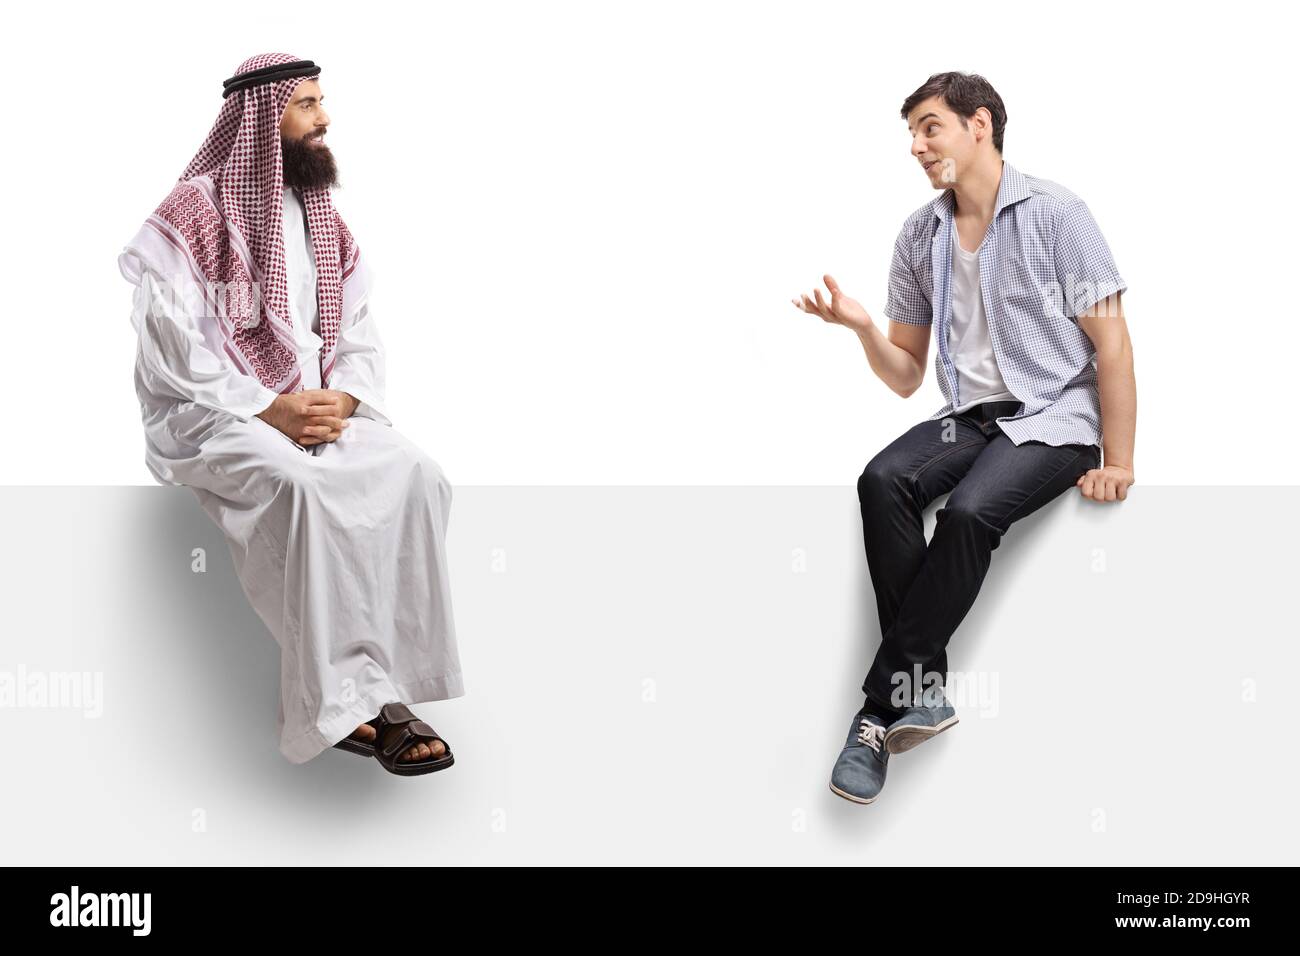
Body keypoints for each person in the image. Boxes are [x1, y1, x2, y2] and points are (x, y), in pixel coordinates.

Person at [792, 71, 1136, 804]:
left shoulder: (1059, 214)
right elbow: (906, 375)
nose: (916, 145)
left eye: (929, 126)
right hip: (971, 417)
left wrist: (1121, 461)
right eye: (911, 133)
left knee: (970, 512)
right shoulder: (920, 234)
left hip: (1054, 417)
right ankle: (922, 693)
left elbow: (1113, 346)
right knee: (883, 478)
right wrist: (860, 329)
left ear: (979, 125)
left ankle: (880, 711)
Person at [118, 53, 463, 775]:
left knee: (416, 473)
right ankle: (348, 706)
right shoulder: (196, 214)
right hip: (213, 415)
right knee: (303, 492)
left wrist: (347, 397)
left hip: (310, 408)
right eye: (306, 104)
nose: (324, 117)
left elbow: (357, 328)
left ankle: (390, 682)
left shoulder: (318, 213)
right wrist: (269, 409)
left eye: (321, 101)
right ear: (260, 117)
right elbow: (172, 354)